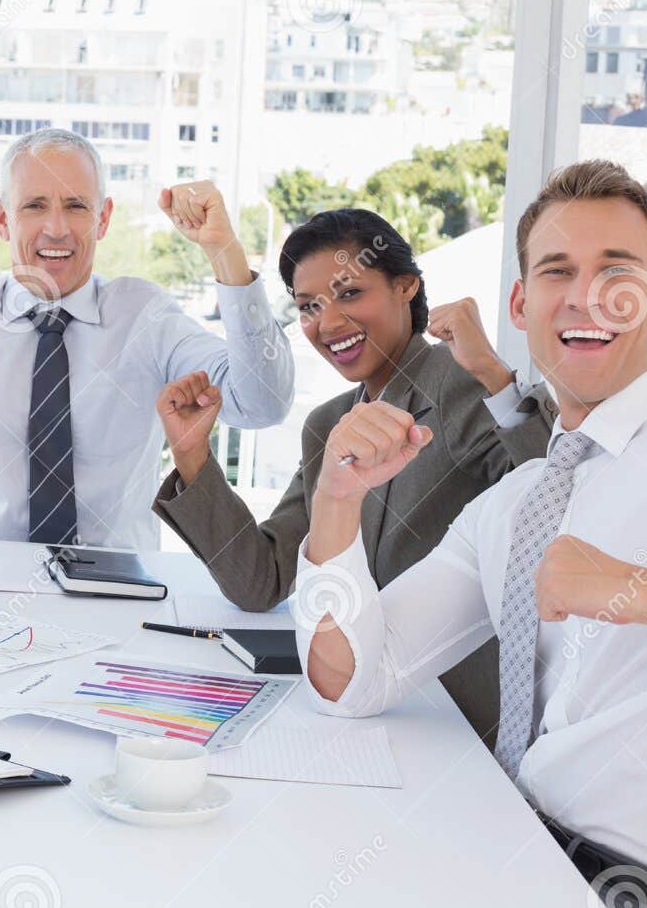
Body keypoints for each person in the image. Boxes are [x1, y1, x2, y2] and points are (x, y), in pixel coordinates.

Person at [294, 160, 647, 908]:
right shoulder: (519, 499)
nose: (584, 297)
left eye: (618, 272)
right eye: (557, 272)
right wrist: (335, 503)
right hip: (517, 859)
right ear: (522, 303)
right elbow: (352, 677)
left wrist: (641, 592)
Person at [152, 208, 555, 743]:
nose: (330, 322)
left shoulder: (459, 380)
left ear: (405, 286)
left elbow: (554, 500)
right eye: (309, 306)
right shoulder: (329, 425)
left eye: (349, 294)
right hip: (357, 709)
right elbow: (260, 580)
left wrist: (494, 376)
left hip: (458, 721)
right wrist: (192, 455)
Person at [0, 126, 294, 551]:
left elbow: (261, 403)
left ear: (103, 218)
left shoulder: (147, 318)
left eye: (76, 206)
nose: (56, 228)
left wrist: (224, 253)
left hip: (116, 592)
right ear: (2, 218)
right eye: (34, 205)